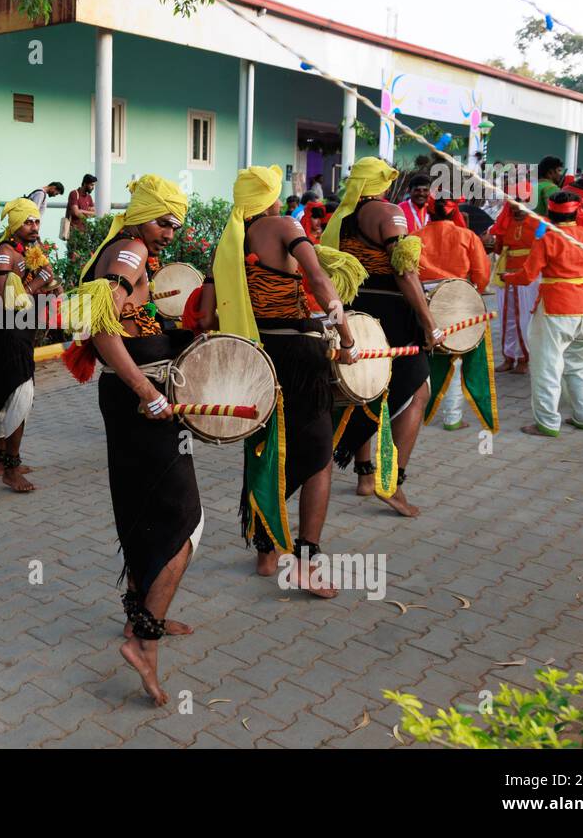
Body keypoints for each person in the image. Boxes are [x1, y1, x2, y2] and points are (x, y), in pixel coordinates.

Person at [68, 174, 197, 706]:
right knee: (185, 522)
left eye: (177, 223)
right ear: (144, 214)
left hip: (136, 404)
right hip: (140, 405)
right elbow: (100, 326)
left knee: (147, 510)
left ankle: (143, 613)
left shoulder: (127, 248)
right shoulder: (131, 251)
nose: (171, 230)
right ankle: (144, 639)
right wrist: (147, 390)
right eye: (165, 219)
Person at [204, 165, 361, 598]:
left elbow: (204, 316)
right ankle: (307, 561)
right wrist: (346, 336)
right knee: (318, 456)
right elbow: (318, 279)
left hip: (254, 360)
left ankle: (265, 550)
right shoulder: (285, 225)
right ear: (271, 196)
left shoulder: (228, 243)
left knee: (265, 447)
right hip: (298, 357)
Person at [322, 157, 445, 518]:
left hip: (357, 313)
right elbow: (404, 271)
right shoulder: (387, 211)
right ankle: (393, 483)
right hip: (391, 315)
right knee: (417, 390)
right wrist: (428, 321)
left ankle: (364, 475)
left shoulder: (342, 217)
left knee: (363, 390)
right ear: (382, 182)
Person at [504, 187, 583, 436]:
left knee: (547, 367)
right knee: (580, 366)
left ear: (549, 212)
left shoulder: (548, 237)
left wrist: (508, 277)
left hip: (557, 309)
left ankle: (548, 423)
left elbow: (528, 274)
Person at [0, 197, 53, 492]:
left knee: (11, 395)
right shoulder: (4, 253)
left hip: (21, 330)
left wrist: (37, 283)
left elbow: (50, 276)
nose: (34, 226)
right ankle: (11, 468)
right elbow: (7, 295)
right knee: (18, 396)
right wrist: (37, 284)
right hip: (6, 331)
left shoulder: (30, 251)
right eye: (27, 221)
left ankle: (2, 462)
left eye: (36, 221)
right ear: (14, 225)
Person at [418, 196, 491, 431]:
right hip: (459, 300)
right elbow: (481, 276)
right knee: (456, 358)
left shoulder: (414, 237)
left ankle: (414, 411)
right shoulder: (467, 236)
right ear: (454, 213)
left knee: (420, 356)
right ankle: (452, 418)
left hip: (422, 303)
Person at [487, 189, 539, 374]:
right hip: (506, 274)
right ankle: (509, 357)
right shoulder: (505, 222)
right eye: (514, 203)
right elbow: (498, 248)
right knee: (506, 318)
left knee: (525, 318)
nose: (518, 208)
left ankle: (526, 358)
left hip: (529, 277)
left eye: (522, 202)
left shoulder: (541, 224)